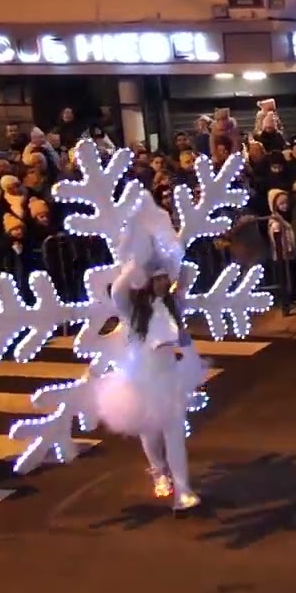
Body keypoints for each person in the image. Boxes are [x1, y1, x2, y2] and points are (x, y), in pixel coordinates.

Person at [91, 200, 209, 511]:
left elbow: (187, 276)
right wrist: (134, 263)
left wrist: (191, 360)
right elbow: (116, 292)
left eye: (162, 278)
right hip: (141, 379)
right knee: (150, 433)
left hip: (169, 376)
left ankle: (183, 492)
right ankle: (158, 470)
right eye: (155, 278)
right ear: (146, 281)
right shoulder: (132, 310)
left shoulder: (173, 305)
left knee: (174, 433)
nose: (161, 283)